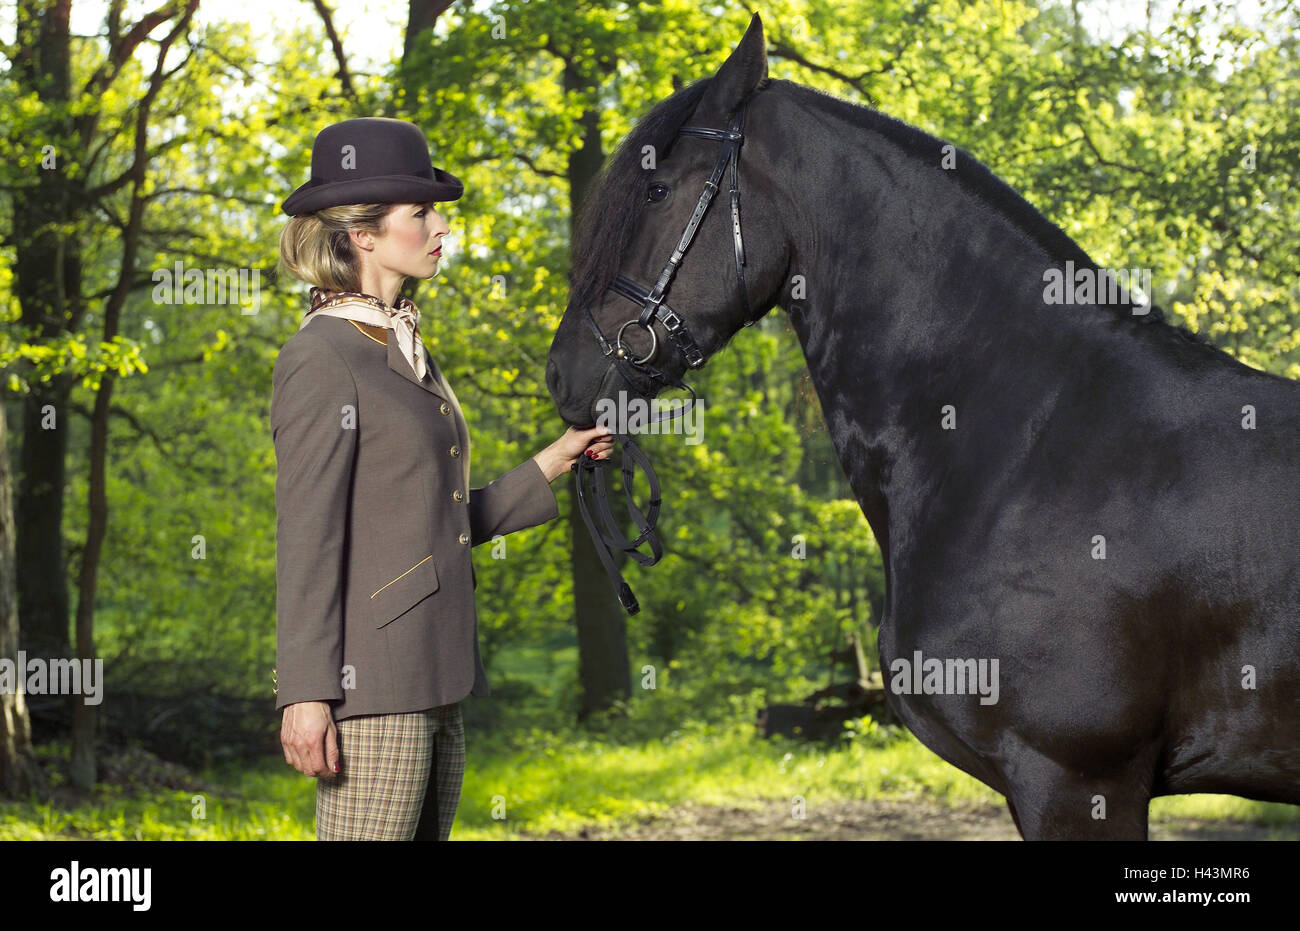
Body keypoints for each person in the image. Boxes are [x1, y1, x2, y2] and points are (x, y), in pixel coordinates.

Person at [272, 116, 611, 840]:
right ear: (363, 233)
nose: (439, 227)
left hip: (437, 672)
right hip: (372, 686)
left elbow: (438, 517)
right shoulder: (322, 356)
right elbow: (307, 539)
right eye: (420, 212)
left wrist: (554, 460)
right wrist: (303, 695)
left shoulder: (399, 341)